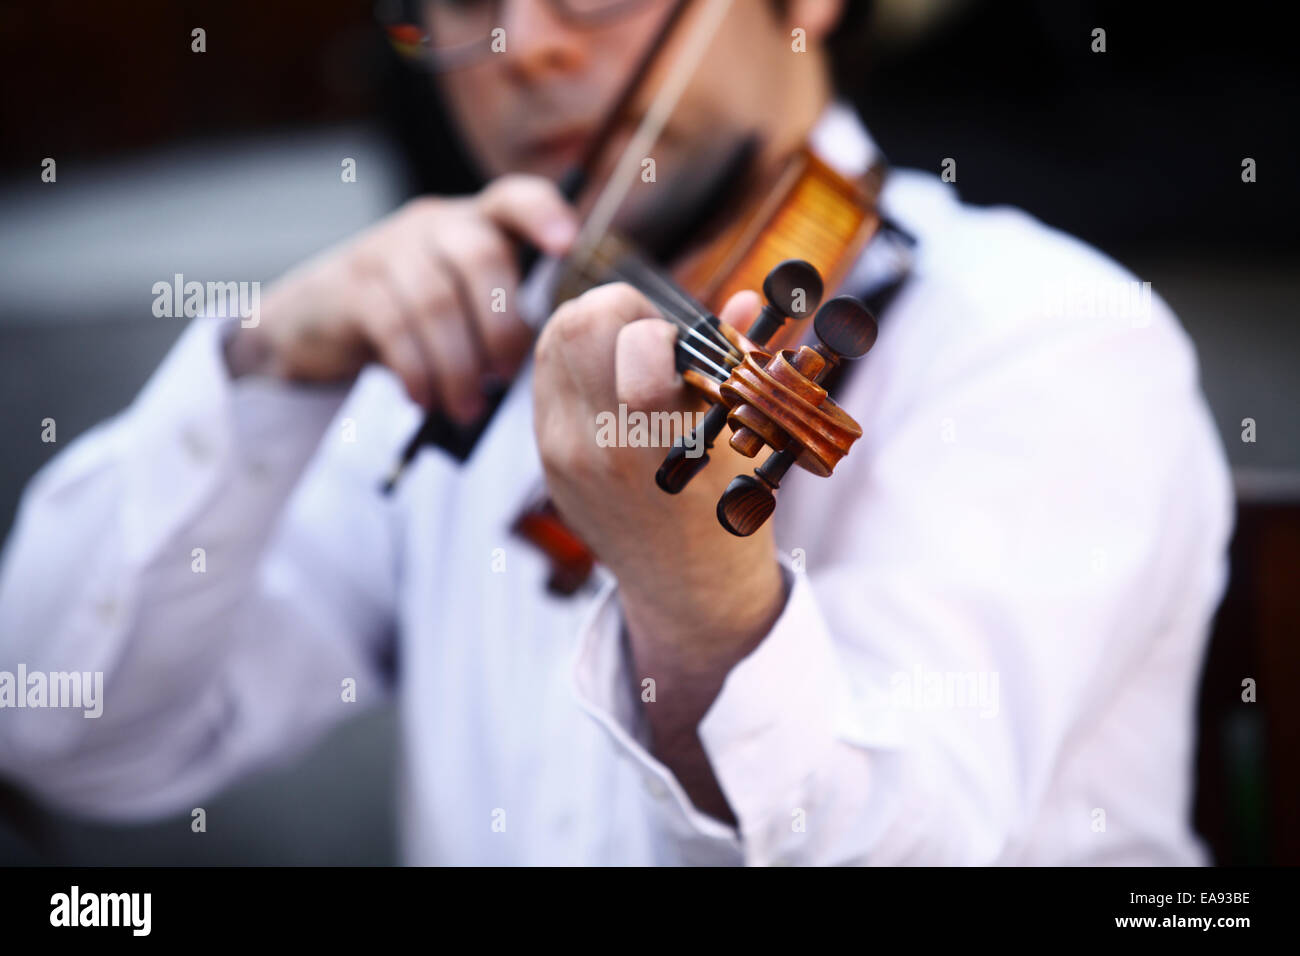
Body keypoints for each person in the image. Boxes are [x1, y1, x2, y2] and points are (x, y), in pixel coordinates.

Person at [0, 0, 1232, 865]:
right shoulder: (464, 348)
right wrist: (259, 372)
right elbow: (67, 730)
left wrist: (703, 609)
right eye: (470, 0)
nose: (523, 46)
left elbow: (911, 845)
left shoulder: (1047, 337)